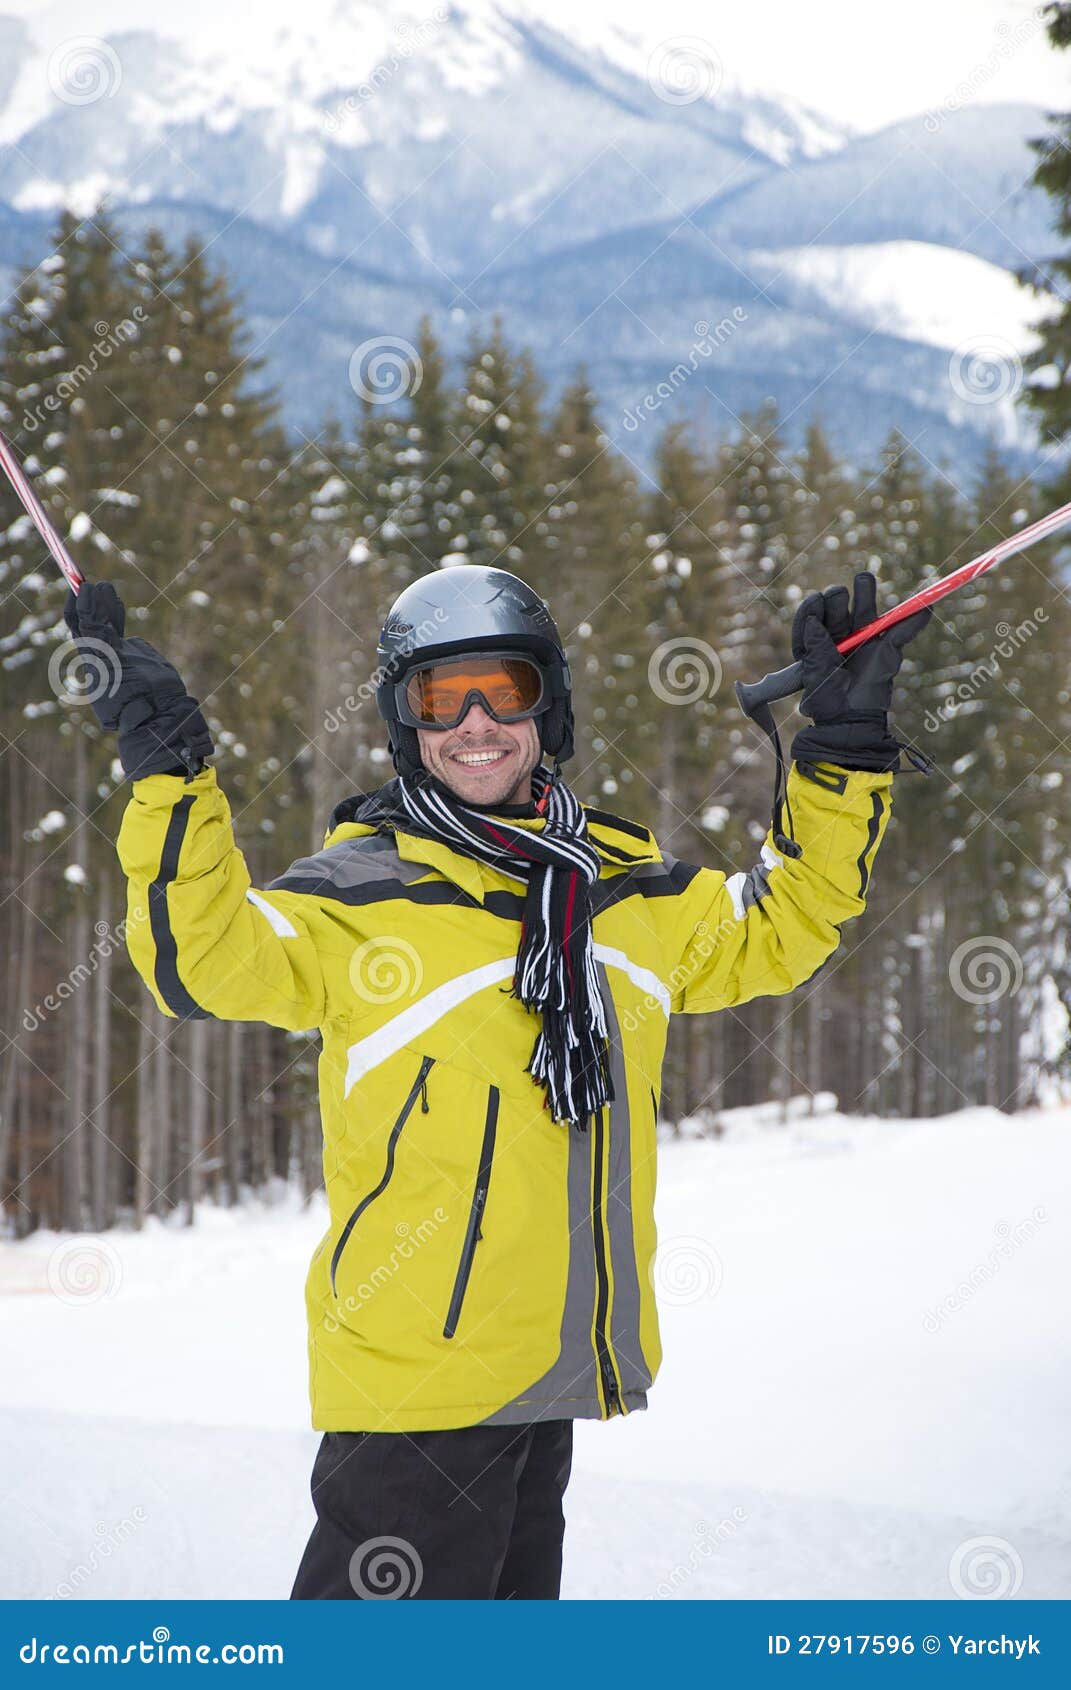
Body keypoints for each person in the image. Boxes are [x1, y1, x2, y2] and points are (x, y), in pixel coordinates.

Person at [64, 563, 928, 1600]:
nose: (475, 722)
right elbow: (196, 959)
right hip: (416, 1402)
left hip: (548, 1384)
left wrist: (842, 748)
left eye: (503, 690)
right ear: (404, 719)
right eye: (441, 695)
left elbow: (787, 920)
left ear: (546, 703)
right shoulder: (358, 901)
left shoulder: (626, 893)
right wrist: (171, 777)